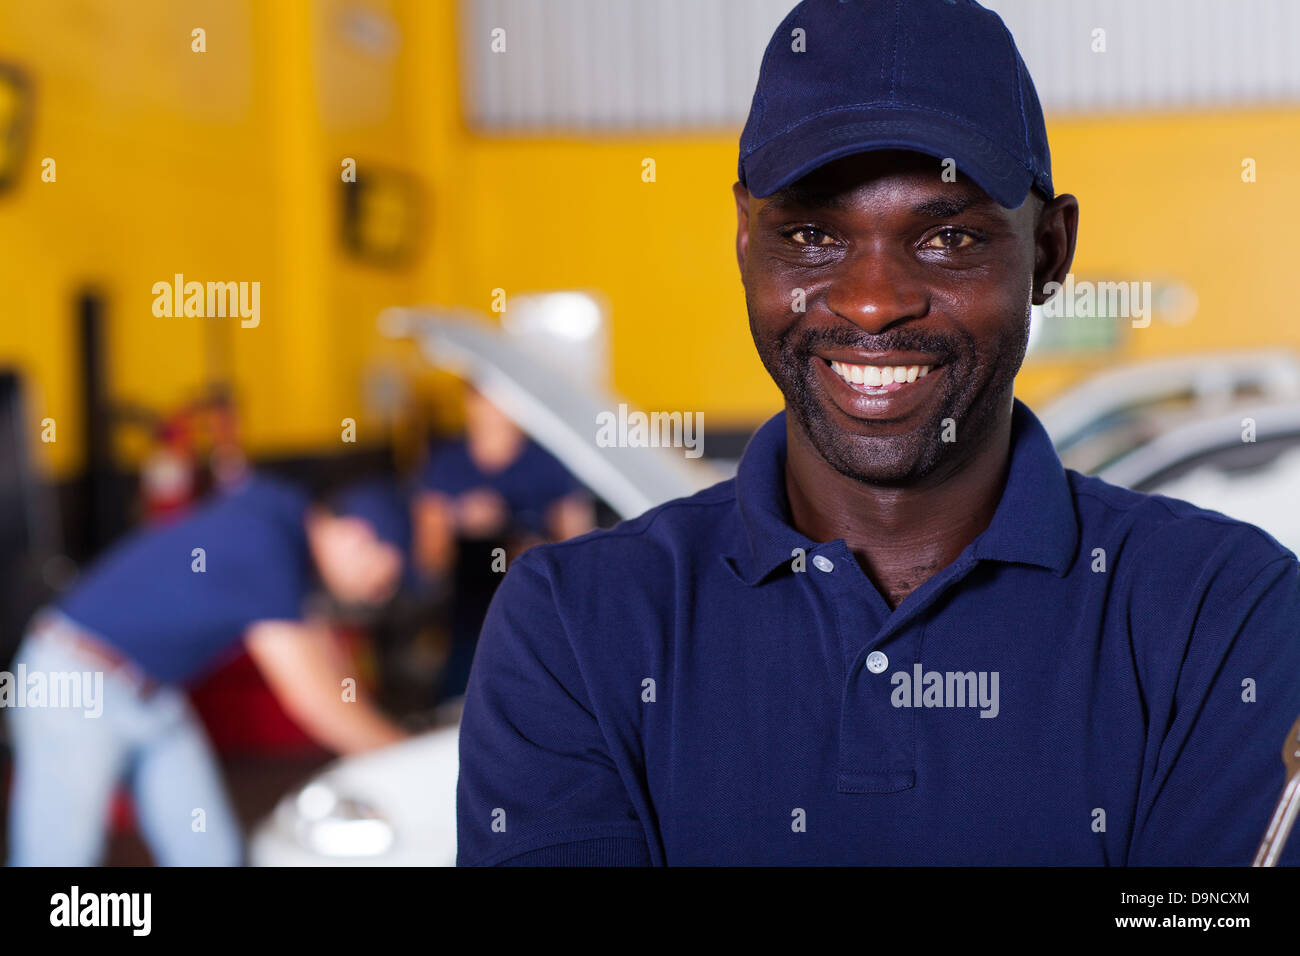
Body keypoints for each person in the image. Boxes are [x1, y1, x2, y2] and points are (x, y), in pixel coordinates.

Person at [456, 0, 1300, 866]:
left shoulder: (1222, 609)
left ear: (1049, 253)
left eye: (948, 237)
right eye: (814, 234)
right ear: (746, 243)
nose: (871, 301)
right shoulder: (575, 623)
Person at [4, 471, 411, 866]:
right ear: (357, 535)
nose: (379, 595)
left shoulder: (287, 517)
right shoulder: (265, 546)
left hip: (153, 692)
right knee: (55, 860)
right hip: (74, 680)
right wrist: (415, 762)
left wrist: (387, 735)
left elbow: (329, 665)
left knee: (209, 854)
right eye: (382, 579)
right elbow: (315, 702)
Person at [413, 385, 594, 702]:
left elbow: (580, 553)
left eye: (507, 398)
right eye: (488, 399)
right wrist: (460, 522)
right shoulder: (446, 466)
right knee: (464, 690)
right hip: (467, 611)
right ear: (470, 403)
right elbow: (428, 561)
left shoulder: (549, 463)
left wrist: (532, 550)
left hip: (532, 605)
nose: (497, 410)